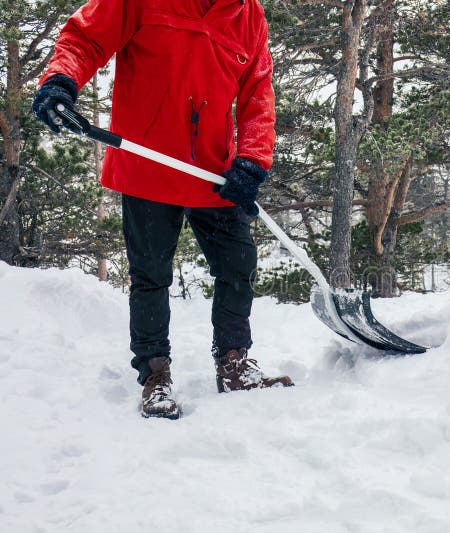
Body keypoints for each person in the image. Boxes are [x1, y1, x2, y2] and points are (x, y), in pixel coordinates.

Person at [32, 0, 293, 420]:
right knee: (150, 275)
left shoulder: (248, 16)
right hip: (146, 165)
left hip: (214, 172)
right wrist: (61, 80)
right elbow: (85, 36)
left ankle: (234, 362)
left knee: (238, 264)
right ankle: (155, 376)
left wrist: (252, 160)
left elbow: (257, 92)